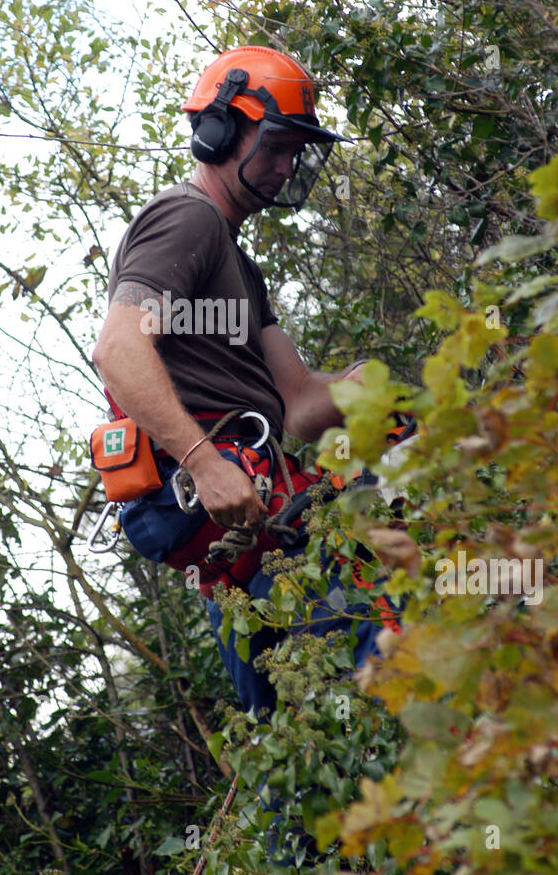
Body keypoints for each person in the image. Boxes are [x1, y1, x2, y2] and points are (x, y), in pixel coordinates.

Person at [91, 46, 406, 719]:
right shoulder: (188, 217)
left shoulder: (240, 265)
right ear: (220, 131)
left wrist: (365, 388)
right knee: (387, 626)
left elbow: (295, 404)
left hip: (249, 537)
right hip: (214, 495)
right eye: (276, 147)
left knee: (299, 738)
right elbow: (118, 349)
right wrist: (205, 464)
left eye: (298, 152)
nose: (288, 165)